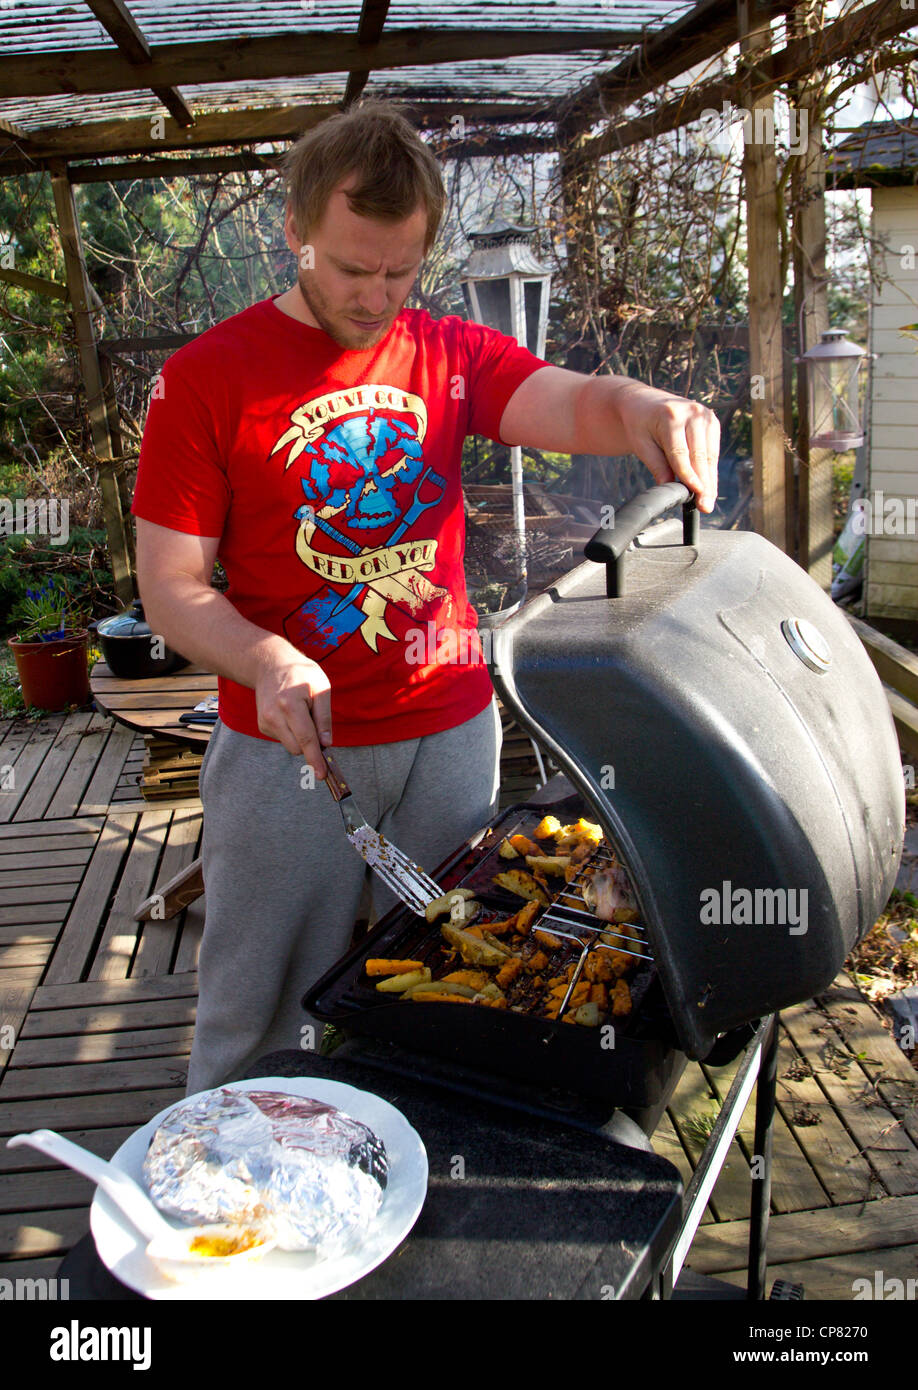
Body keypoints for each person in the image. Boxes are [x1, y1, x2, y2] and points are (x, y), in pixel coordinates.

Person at [132, 100, 719, 1094]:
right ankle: (214, 1199)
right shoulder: (204, 381)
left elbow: (573, 400)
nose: (376, 296)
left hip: (451, 727)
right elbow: (172, 591)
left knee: (448, 978)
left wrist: (643, 408)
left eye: (401, 270)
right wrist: (267, 657)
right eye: (353, 268)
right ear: (296, 232)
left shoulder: (447, 355)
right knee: (256, 1001)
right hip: (291, 750)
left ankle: (401, 1181)